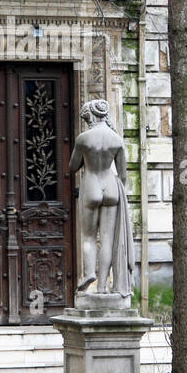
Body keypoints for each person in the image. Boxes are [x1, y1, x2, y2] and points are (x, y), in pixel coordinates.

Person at [68, 98, 134, 299]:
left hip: (92, 185)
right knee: (107, 239)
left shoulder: (83, 138)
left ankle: (89, 274)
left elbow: (73, 166)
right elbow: (122, 174)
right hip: (111, 187)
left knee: (88, 236)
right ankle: (103, 286)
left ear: (91, 116)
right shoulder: (116, 139)